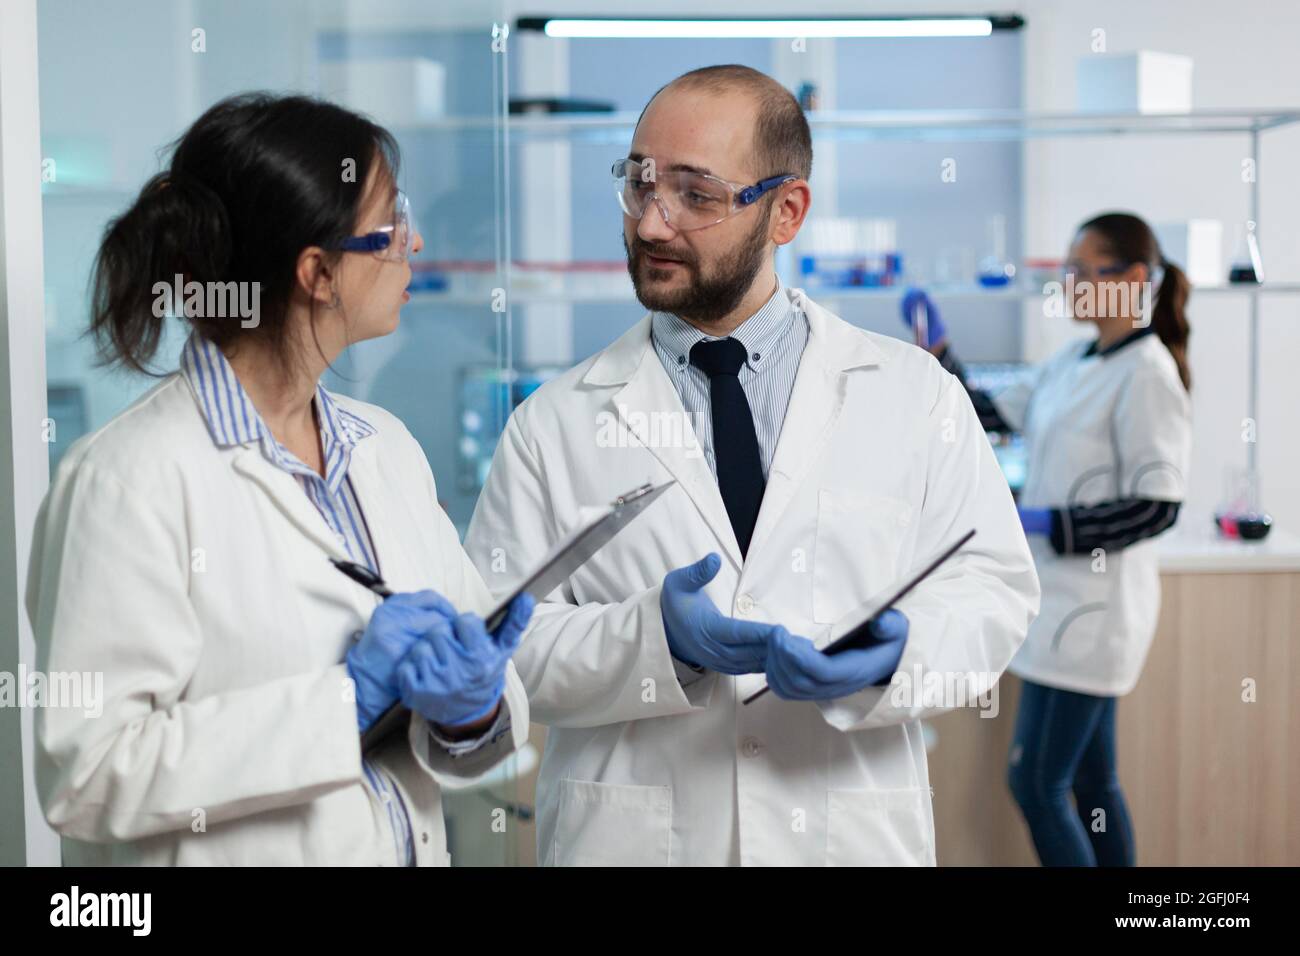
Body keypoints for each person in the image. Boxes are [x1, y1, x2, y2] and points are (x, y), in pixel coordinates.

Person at [464, 64, 1040, 866]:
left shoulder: (914, 396)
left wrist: (901, 654)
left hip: (846, 832)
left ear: (787, 210)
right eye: (639, 184)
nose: (652, 224)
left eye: (696, 195)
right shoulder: (552, 422)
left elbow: (994, 592)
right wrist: (652, 640)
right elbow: (502, 648)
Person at [25, 93, 533, 866]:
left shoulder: (384, 448)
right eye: (392, 224)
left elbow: (481, 724)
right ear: (318, 273)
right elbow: (89, 775)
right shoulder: (126, 479)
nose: (416, 242)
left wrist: (473, 709)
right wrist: (346, 699)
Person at [901, 211, 1193, 866]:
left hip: (1094, 615)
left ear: (1134, 278)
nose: (1066, 283)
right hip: (1056, 603)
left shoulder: (1147, 371)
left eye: (1080, 271)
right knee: (1092, 783)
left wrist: (1047, 522)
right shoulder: (1075, 359)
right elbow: (987, 413)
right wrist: (939, 352)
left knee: (1035, 782)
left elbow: (1156, 507)